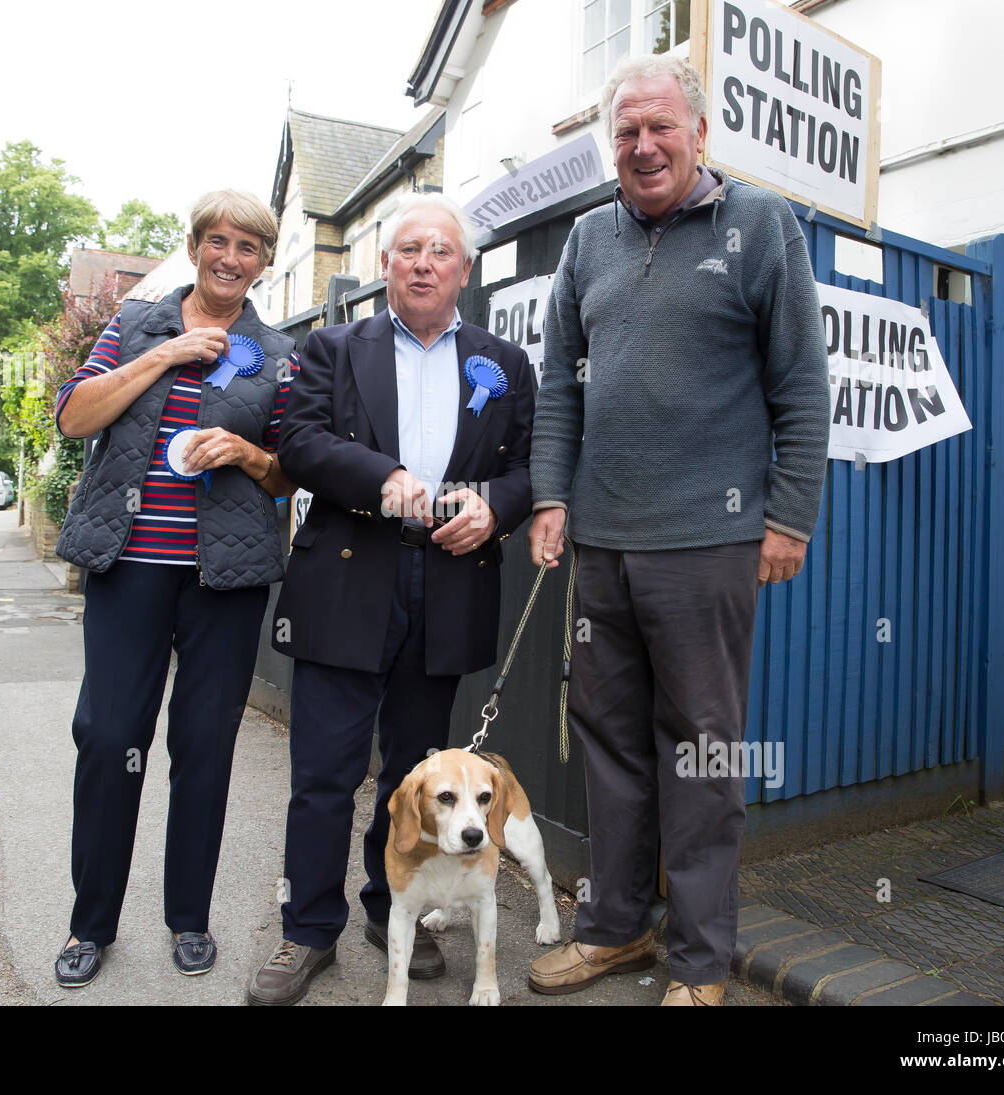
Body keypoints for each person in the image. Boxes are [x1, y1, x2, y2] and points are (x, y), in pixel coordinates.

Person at [526, 55, 830, 1006]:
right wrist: (549, 496)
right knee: (610, 747)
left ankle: (700, 966)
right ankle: (614, 930)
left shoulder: (760, 226)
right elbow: (558, 388)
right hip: (604, 547)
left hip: (710, 544)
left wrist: (787, 516)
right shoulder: (587, 240)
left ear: (700, 134)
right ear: (609, 145)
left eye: (661, 127)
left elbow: (802, 385)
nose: (644, 146)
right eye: (626, 132)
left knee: (701, 754)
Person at [248, 192, 535, 1005]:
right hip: (348, 574)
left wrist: (496, 508)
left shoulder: (505, 365)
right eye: (407, 249)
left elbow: (523, 466)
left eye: (439, 251)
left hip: (447, 583)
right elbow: (298, 444)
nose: (422, 262)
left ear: (463, 270)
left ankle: (388, 906)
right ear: (385, 265)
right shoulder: (332, 348)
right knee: (325, 772)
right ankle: (307, 932)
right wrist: (385, 479)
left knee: (415, 773)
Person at [51, 189, 299, 988]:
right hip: (129, 570)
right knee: (110, 736)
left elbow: (295, 466)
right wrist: (163, 354)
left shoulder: (282, 351)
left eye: (249, 247)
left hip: (223, 579)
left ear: (265, 260)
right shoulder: (135, 324)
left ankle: (188, 916)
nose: (231, 258)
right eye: (218, 241)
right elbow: (74, 417)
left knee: (204, 746)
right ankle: (91, 922)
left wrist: (250, 455)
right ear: (194, 245)